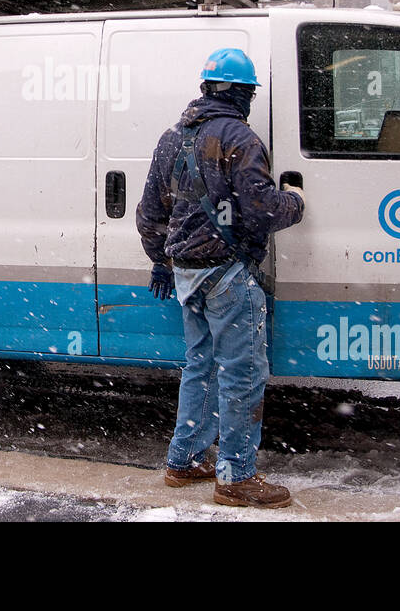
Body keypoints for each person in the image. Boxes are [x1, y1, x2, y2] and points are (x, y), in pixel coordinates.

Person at [135, 48, 305, 508]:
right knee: (243, 374)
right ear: (241, 93)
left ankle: (184, 459)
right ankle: (237, 476)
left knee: (201, 367)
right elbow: (263, 210)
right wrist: (294, 200)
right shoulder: (239, 138)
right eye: (249, 91)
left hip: (187, 277)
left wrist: (162, 262)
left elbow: (150, 214)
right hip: (228, 276)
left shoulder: (173, 137)